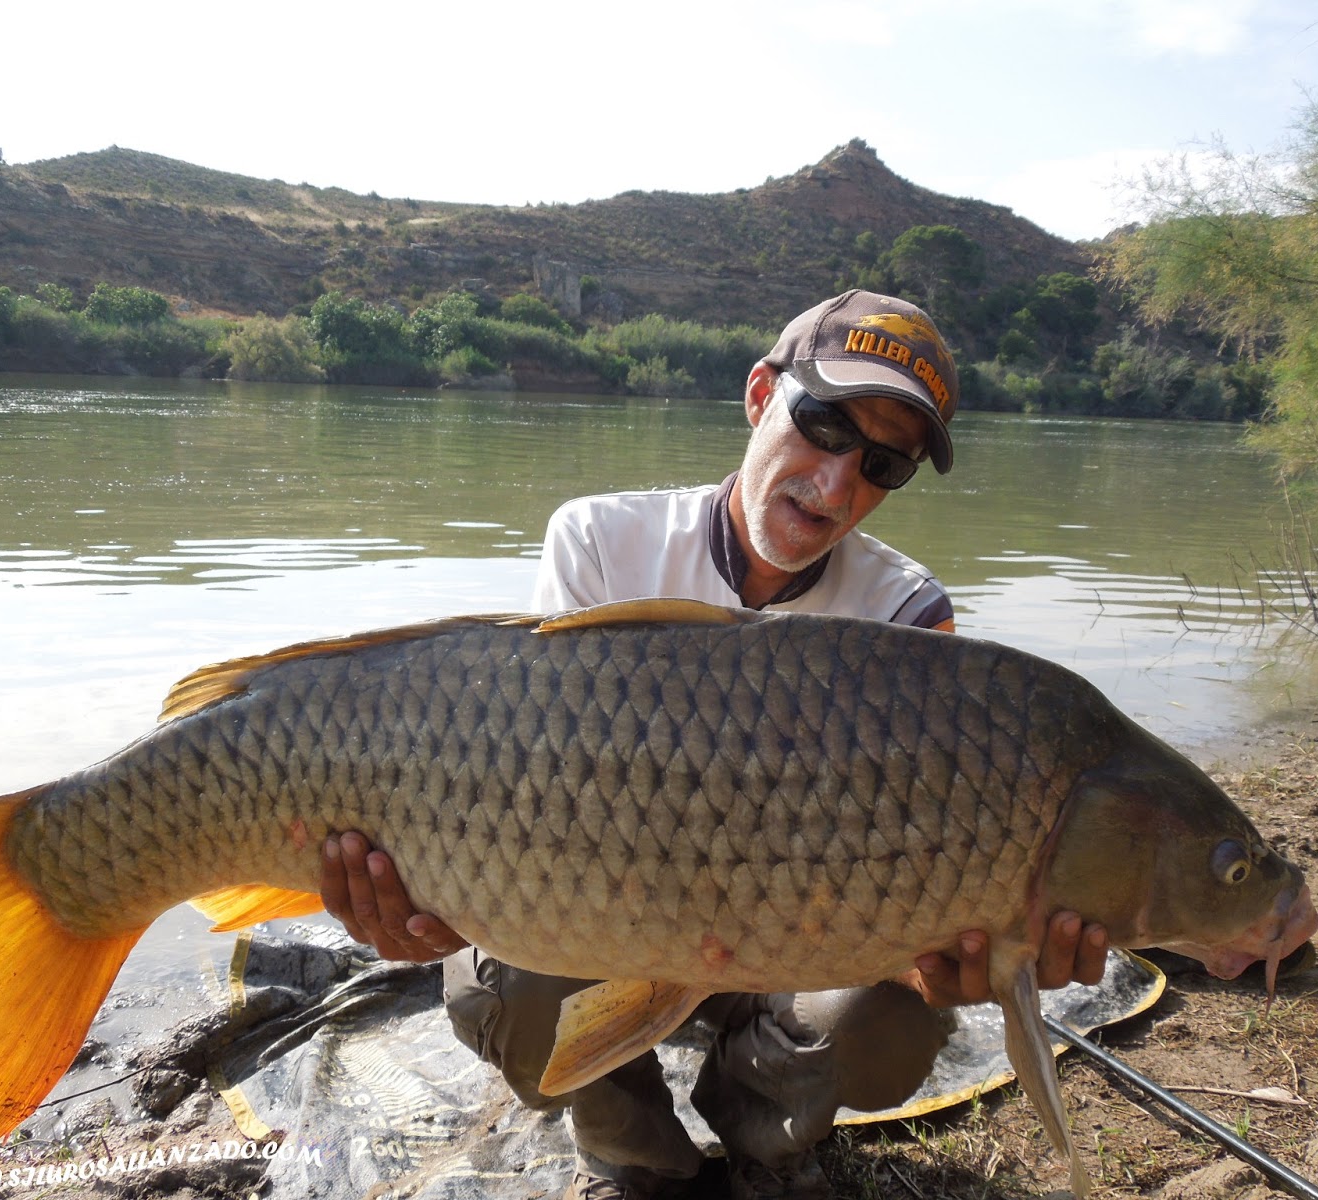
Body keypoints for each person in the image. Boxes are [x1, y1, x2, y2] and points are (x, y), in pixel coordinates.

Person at [320, 290, 1110, 1199]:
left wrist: (970, 944)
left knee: (886, 1020)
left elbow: (926, 871)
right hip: (611, 902)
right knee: (511, 987)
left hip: (799, 936)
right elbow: (536, 797)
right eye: (822, 423)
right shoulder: (602, 542)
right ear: (759, 395)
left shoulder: (908, 617)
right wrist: (442, 885)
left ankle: (768, 1143)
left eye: (883, 463)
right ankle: (633, 1154)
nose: (838, 481)